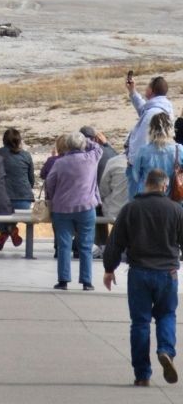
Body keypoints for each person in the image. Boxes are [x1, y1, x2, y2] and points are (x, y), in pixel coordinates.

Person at [102, 165, 183, 387]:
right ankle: (166, 350)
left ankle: (142, 374)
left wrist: (109, 269)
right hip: (168, 272)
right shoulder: (177, 210)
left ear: (146, 184)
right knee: (166, 315)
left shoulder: (131, 209)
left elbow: (115, 241)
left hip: (139, 272)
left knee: (140, 322)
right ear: (165, 186)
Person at [41, 130, 102, 291]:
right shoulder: (91, 158)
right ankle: (87, 281)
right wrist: (86, 140)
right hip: (86, 207)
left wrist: (53, 199)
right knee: (86, 245)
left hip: (62, 208)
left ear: (66, 146)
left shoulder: (60, 162)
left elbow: (50, 183)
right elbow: (98, 147)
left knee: (64, 245)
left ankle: (63, 280)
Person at [0, 128, 35, 251]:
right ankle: (11, 229)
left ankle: (6, 230)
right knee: (13, 211)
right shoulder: (26, 155)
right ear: (19, 140)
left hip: (2, 198)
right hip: (24, 199)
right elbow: (31, 180)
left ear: (4, 141)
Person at [133, 115, 183, 200]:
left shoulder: (143, 151)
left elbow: (136, 176)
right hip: (173, 198)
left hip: (148, 197)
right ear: (171, 129)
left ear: (151, 129)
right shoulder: (179, 149)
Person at [129, 76, 176, 160]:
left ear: (151, 90)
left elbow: (140, 141)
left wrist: (132, 160)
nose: (145, 88)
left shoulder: (152, 113)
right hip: (161, 155)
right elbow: (143, 109)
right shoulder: (165, 106)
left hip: (150, 160)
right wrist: (132, 91)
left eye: (148, 86)